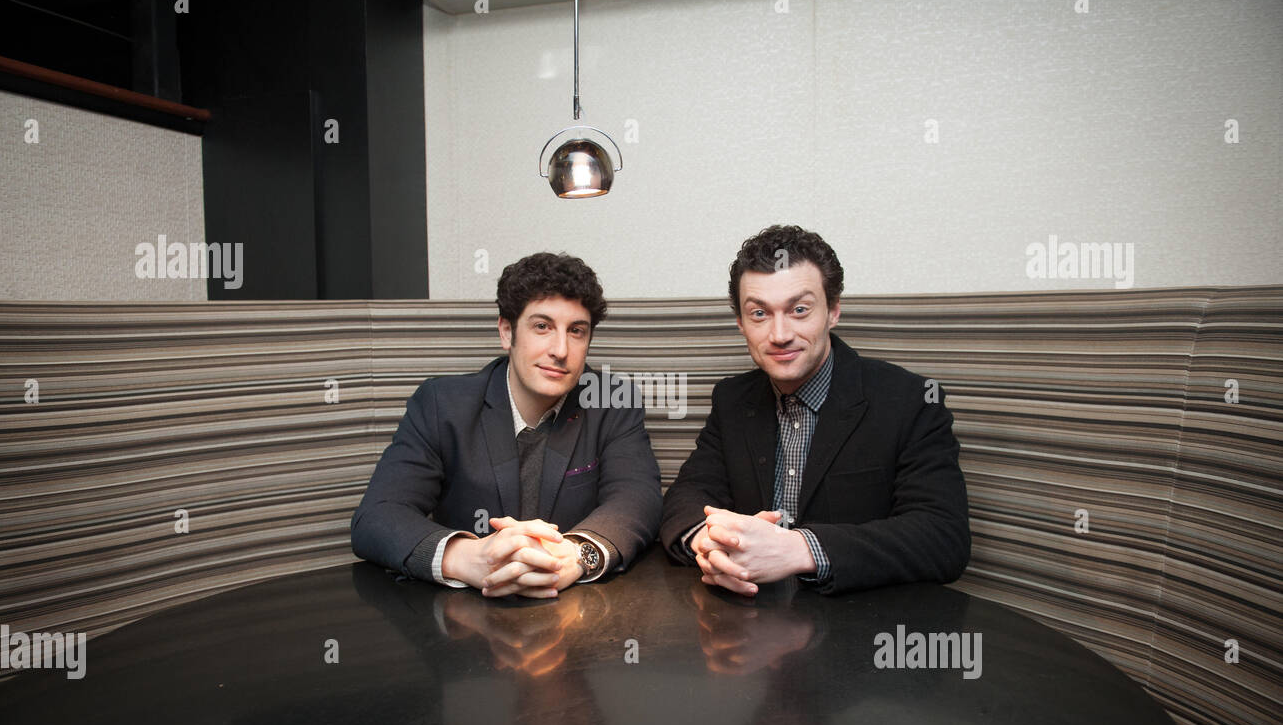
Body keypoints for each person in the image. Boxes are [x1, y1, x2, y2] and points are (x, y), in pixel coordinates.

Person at [660, 225, 970, 596]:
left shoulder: (909, 400)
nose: (779, 334)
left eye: (799, 310)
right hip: (744, 624)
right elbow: (688, 494)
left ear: (833, 311)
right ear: (741, 323)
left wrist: (800, 549)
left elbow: (943, 538)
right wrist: (708, 543)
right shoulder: (732, 399)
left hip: (863, 635)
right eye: (759, 313)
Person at [352, 252, 662, 598]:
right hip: (463, 622)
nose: (560, 350)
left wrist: (574, 554)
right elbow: (377, 516)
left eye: (577, 331)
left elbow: (639, 498)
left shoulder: (610, 400)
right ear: (506, 332)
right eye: (542, 326)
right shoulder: (442, 404)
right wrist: (467, 558)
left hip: (576, 613)